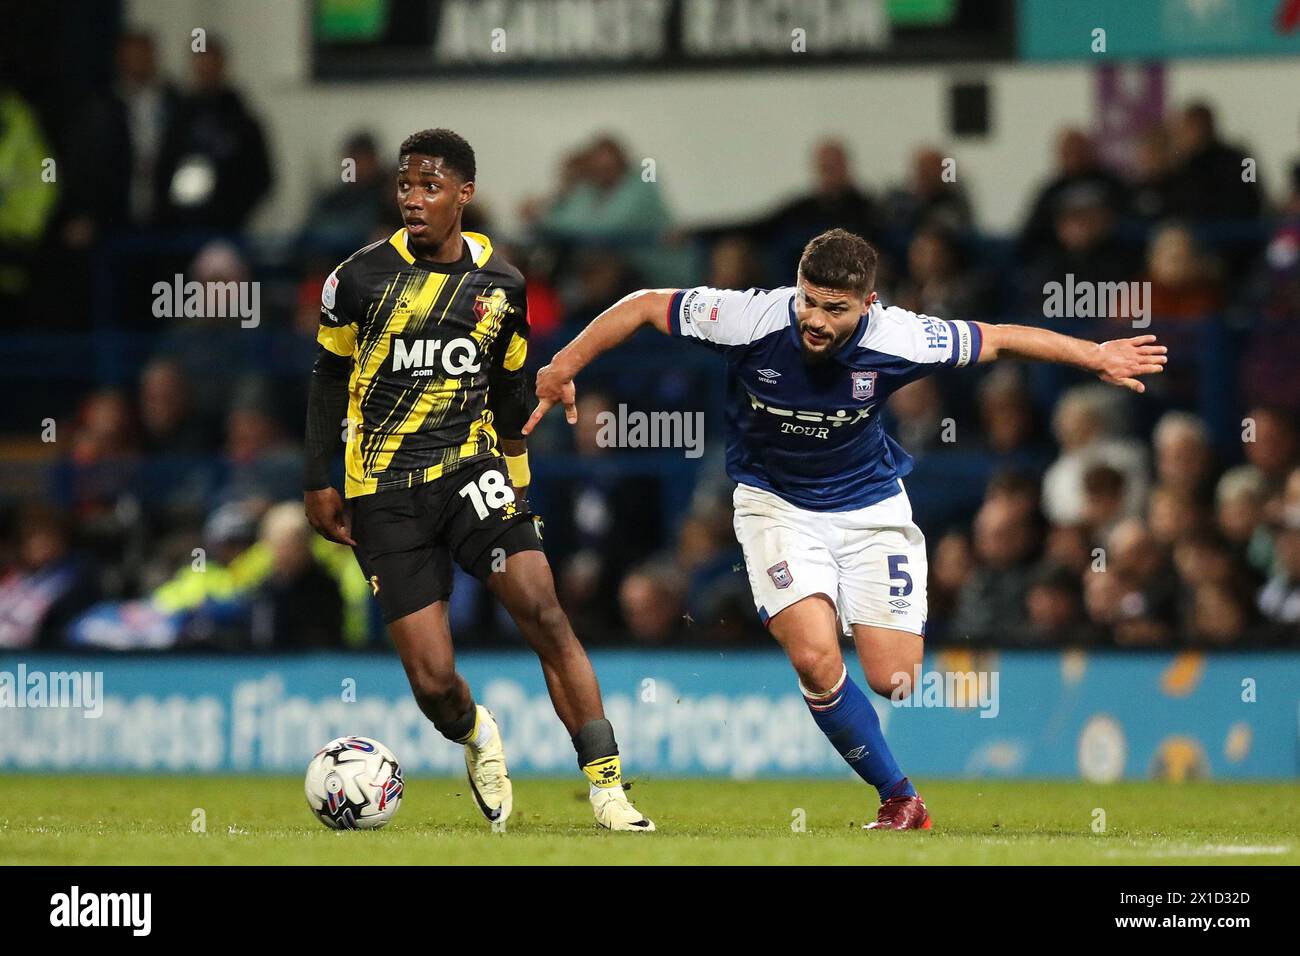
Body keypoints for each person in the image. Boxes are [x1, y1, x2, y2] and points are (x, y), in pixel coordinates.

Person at [528, 227, 1167, 829]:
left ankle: (845, 625)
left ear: (869, 304)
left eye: (835, 309)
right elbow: (644, 304)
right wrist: (564, 363)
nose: (815, 320)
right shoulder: (749, 318)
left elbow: (996, 337)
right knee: (813, 657)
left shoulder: (902, 338)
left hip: (871, 511)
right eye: (809, 301)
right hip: (775, 506)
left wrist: (1095, 354)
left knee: (895, 680)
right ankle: (901, 798)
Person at [302, 128, 652, 832]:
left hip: (472, 470)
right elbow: (326, 381)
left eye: (430, 187)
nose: (413, 199)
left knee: (544, 611)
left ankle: (609, 788)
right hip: (384, 490)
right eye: (405, 185)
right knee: (433, 681)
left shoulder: (502, 284)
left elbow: (512, 398)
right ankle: (476, 734)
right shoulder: (358, 279)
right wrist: (320, 480)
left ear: (464, 194)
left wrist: (517, 485)